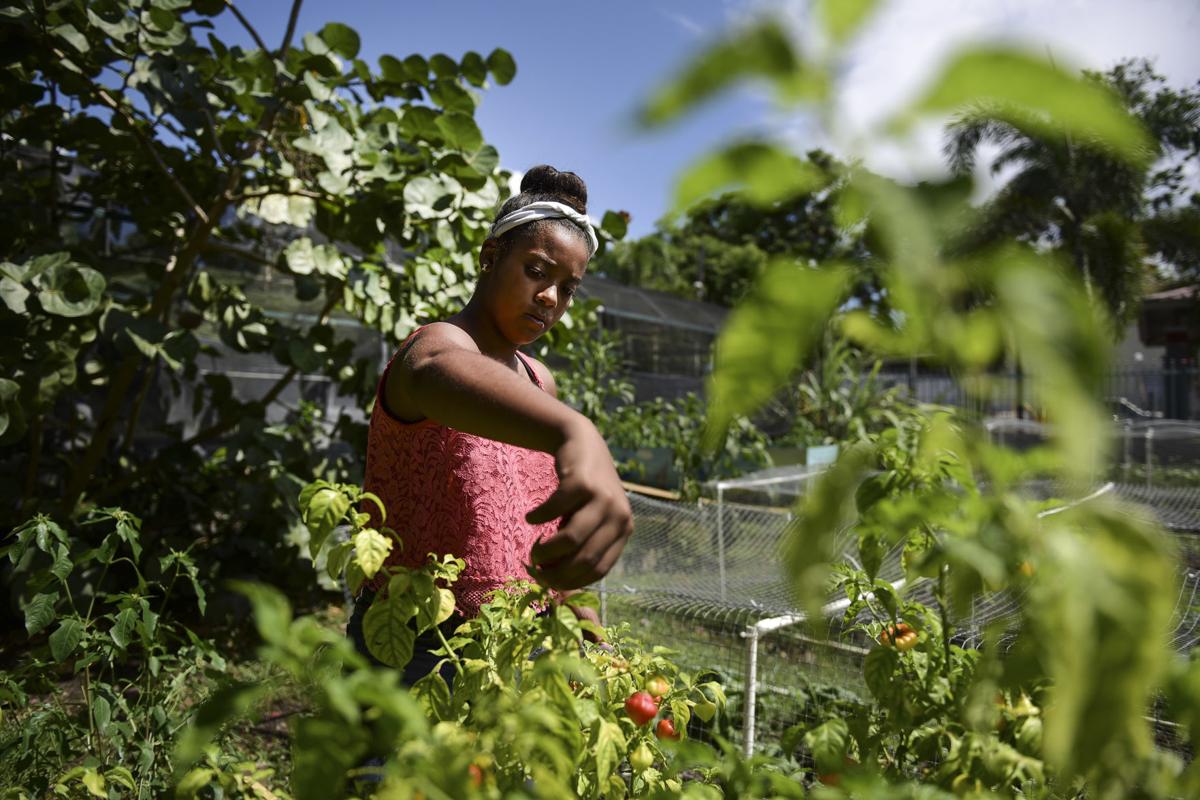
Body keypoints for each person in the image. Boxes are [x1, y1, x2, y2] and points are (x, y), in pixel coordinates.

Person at [347, 165, 633, 684]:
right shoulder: (433, 347)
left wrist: (581, 621)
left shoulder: (538, 382)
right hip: (415, 645)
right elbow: (438, 373)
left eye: (568, 288)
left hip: (513, 645)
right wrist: (577, 431)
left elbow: (541, 520)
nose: (551, 297)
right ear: (490, 256)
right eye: (536, 271)